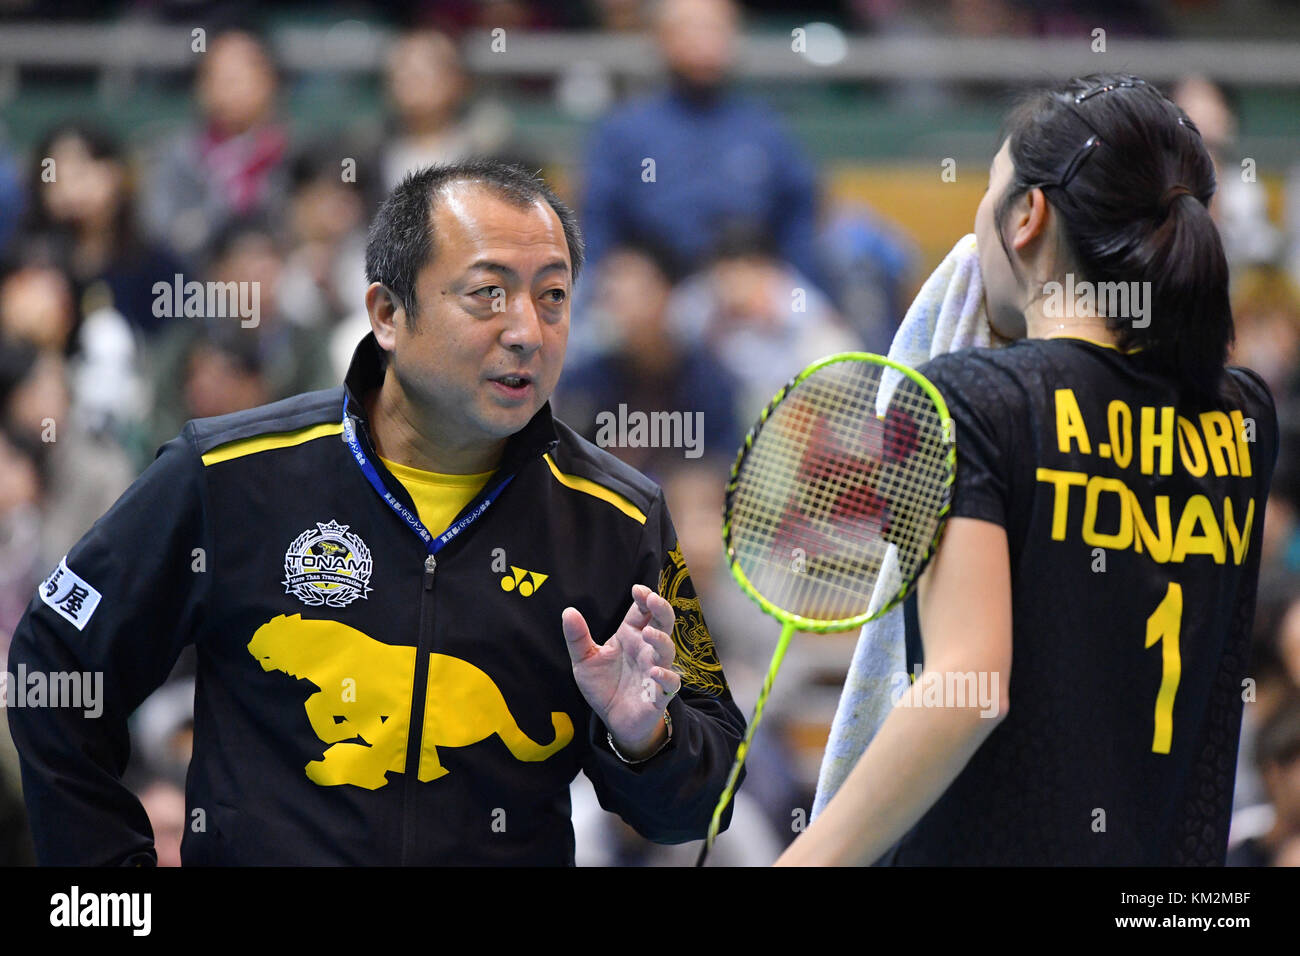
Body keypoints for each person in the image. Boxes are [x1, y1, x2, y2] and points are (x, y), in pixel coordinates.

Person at [6, 160, 746, 865]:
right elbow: (54, 662)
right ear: (387, 313)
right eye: (488, 292)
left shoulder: (619, 517)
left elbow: (706, 802)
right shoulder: (226, 474)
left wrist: (647, 739)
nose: (527, 329)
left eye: (553, 295)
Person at [778, 74, 1278, 865]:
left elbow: (967, 689)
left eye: (986, 193)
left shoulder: (966, 401)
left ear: (1026, 217)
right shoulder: (1245, 416)